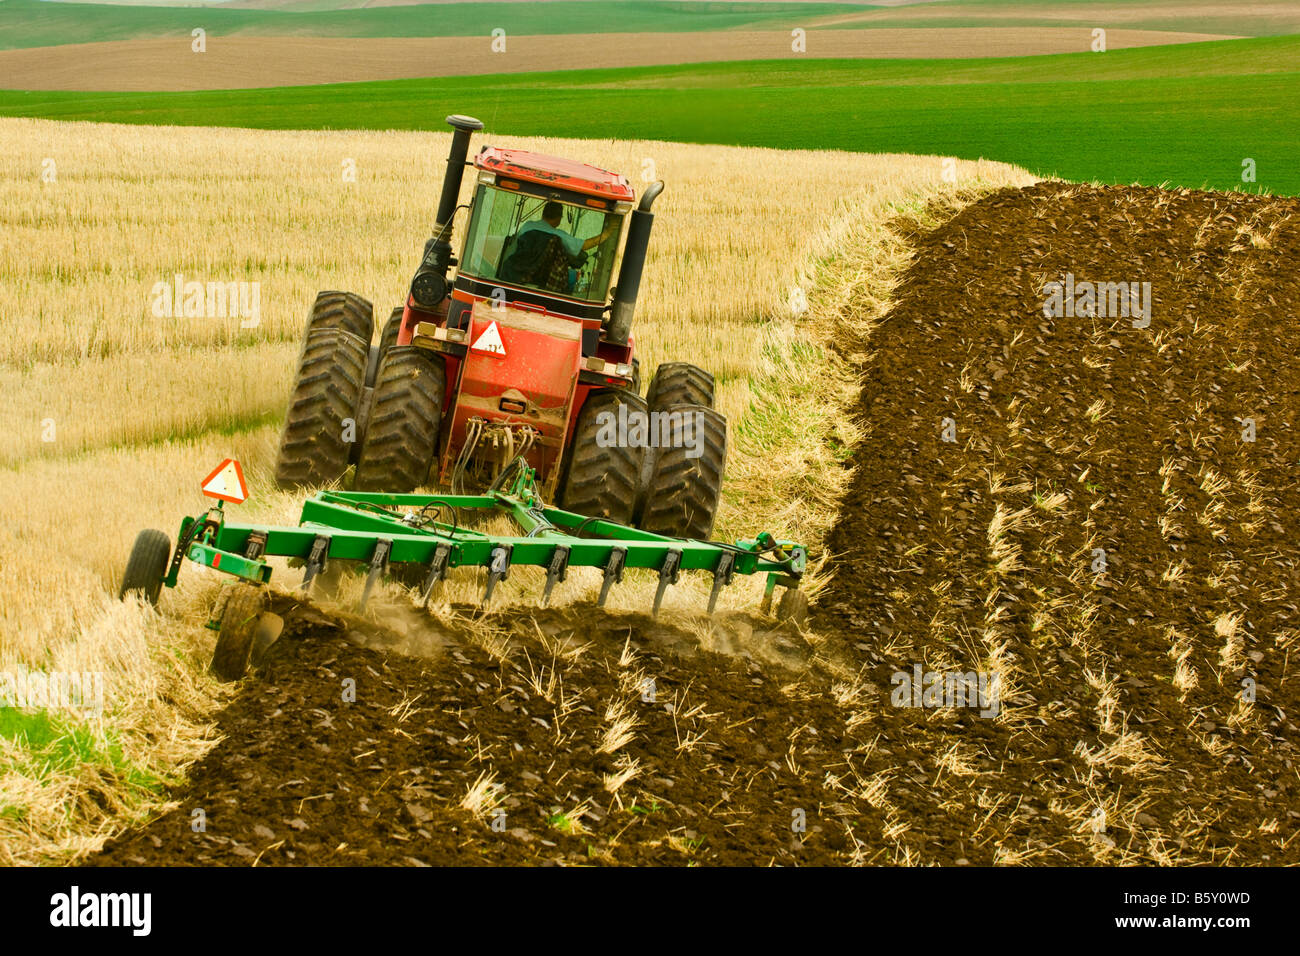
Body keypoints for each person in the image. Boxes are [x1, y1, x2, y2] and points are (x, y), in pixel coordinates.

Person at [517, 201, 617, 258]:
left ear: (543, 213)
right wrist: (607, 233)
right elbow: (584, 246)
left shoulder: (527, 226)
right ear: (559, 218)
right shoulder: (559, 236)